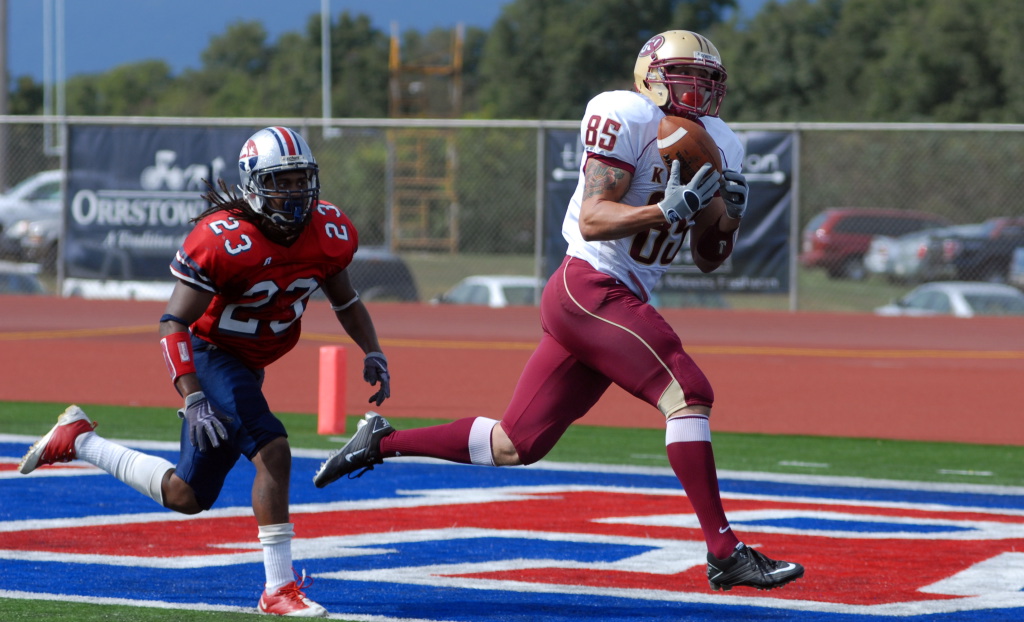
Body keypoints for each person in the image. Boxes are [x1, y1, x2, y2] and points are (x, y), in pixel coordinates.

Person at [313, 31, 804, 592]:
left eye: (710, 80)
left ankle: (381, 440)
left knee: (514, 444)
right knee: (687, 392)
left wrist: (728, 219)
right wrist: (664, 211)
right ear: (651, 75)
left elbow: (709, 258)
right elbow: (594, 218)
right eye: (688, 75)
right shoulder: (624, 113)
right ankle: (724, 550)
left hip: (620, 301)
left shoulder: (723, 143)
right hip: (588, 285)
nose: (701, 90)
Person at [19, 126, 392, 617]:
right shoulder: (222, 240)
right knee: (274, 451)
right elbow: (173, 321)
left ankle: (79, 439)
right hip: (211, 353)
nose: (295, 193)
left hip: (248, 363)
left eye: (301, 180)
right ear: (254, 184)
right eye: (281, 182)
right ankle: (278, 590)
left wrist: (373, 349)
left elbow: (345, 299)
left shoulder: (329, 230)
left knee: (186, 494)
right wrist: (193, 395)